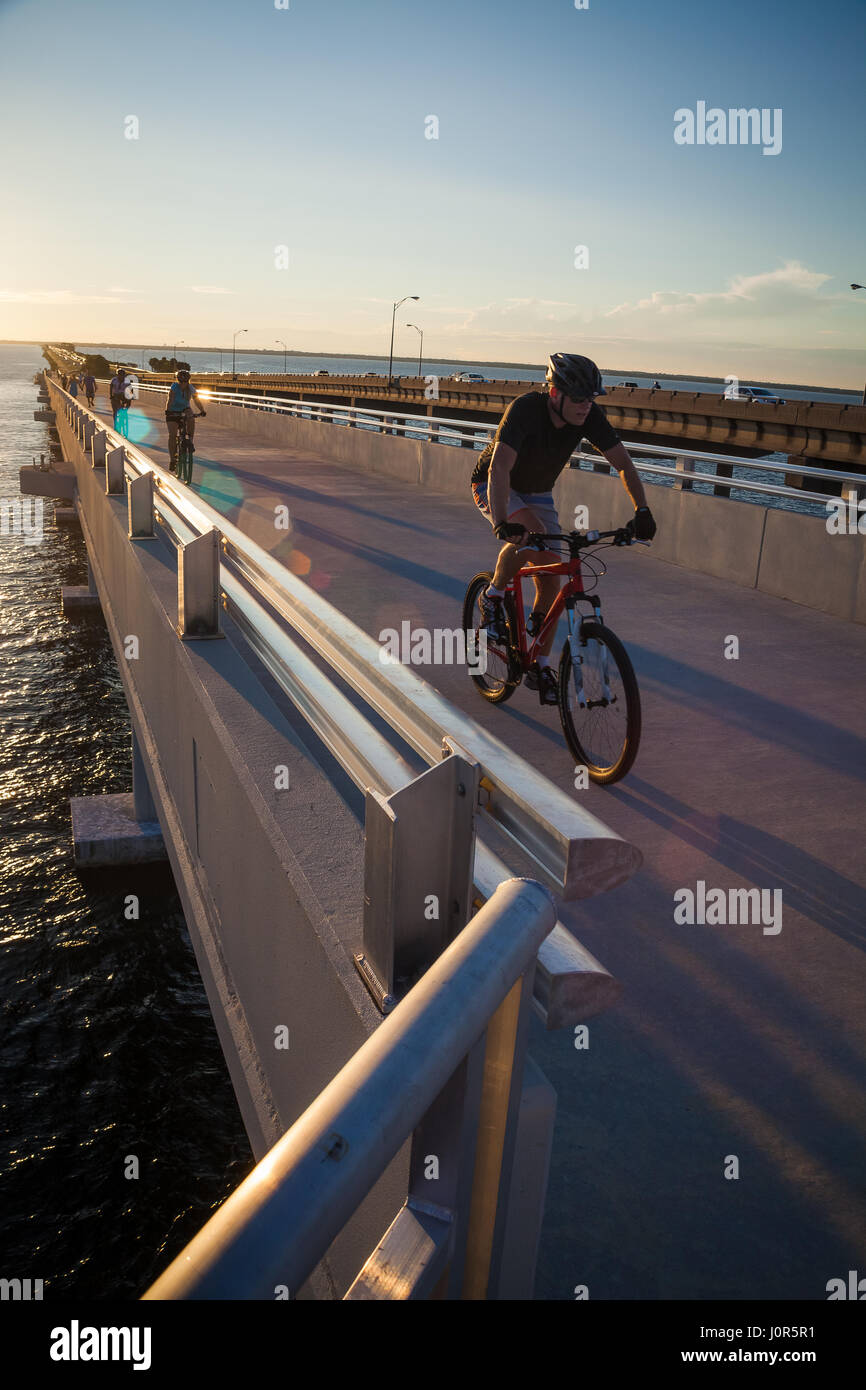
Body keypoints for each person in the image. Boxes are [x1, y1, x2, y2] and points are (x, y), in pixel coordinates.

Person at [471, 352, 657, 705]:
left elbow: (623, 464)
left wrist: (642, 510)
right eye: (578, 398)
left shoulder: (589, 416)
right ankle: (493, 595)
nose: (585, 406)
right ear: (555, 393)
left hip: (538, 491)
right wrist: (501, 522)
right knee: (529, 534)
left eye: (591, 398)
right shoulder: (525, 409)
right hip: (496, 484)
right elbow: (499, 468)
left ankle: (538, 665)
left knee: (552, 579)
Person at [164, 369, 206, 473]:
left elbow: (196, 400)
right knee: (172, 435)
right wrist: (168, 411)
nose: (183, 384)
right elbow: (170, 399)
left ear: (188, 381)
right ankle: (172, 460)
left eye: (185, 382)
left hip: (184, 409)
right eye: (181, 381)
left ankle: (190, 440)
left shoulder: (190, 388)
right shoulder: (174, 387)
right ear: (178, 380)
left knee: (191, 418)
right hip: (173, 410)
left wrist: (202, 410)